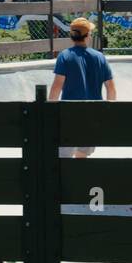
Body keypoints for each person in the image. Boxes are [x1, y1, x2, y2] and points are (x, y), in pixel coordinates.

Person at [49, 17, 116, 158]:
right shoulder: (100, 57)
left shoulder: (65, 56)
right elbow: (110, 88)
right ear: (88, 36)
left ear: (71, 36)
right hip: (93, 114)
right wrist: (109, 112)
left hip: (69, 114)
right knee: (82, 154)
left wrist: (49, 111)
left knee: (63, 157)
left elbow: (56, 88)